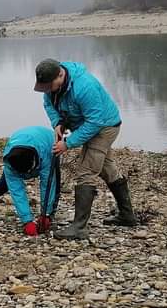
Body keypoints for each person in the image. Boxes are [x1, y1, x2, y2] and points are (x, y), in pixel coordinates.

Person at [33, 58, 138, 240]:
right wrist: (57, 122)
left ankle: (79, 227)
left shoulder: (84, 87)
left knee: (86, 171)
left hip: (104, 127)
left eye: (50, 85)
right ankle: (127, 215)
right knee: (107, 169)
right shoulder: (50, 85)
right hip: (87, 125)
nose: (48, 90)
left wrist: (68, 143)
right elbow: (48, 104)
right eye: (45, 87)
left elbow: (95, 122)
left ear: (61, 74)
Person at [0, 126, 60, 236]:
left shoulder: (47, 155)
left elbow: (47, 185)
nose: (24, 176)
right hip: (22, 143)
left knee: (53, 182)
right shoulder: (10, 160)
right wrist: (27, 221)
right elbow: (17, 192)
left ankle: (49, 215)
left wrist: (45, 214)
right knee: (3, 185)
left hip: (48, 142)